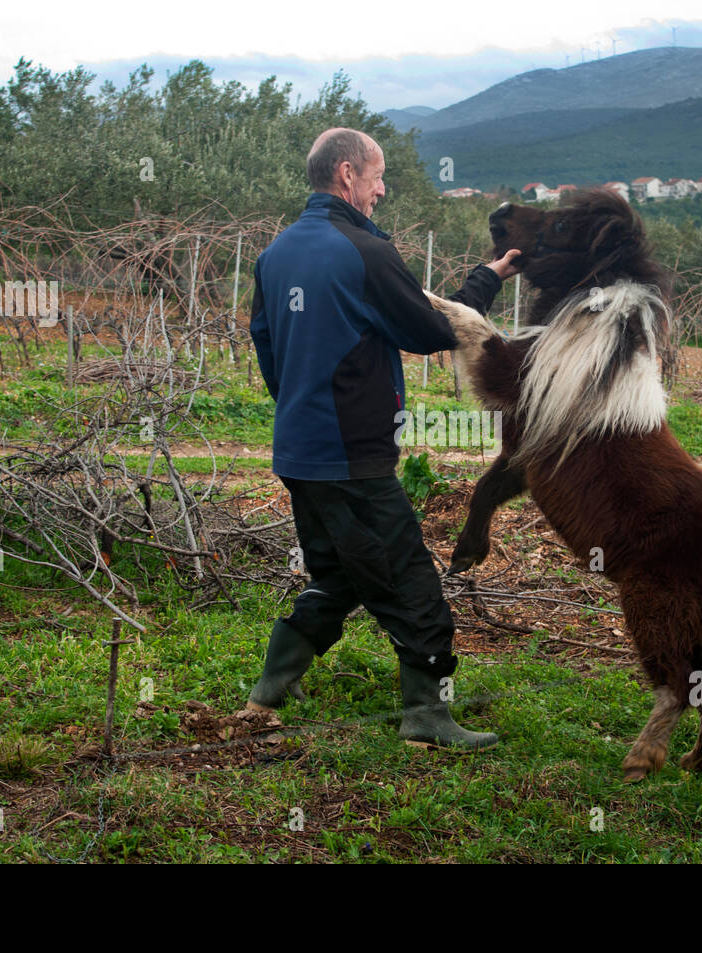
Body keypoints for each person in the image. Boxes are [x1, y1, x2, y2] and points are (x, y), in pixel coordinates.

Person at [245, 127, 521, 748]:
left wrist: (487, 274)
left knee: (336, 575)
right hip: (353, 457)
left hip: (299, 450)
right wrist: (484, 289)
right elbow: (428, 329)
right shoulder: (364, 251)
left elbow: (266, 345)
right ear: (347, 175)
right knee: (412, 583)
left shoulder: (277, 253)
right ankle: (426, 717)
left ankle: (268, 692)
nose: (382, 188)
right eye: (377, 175)